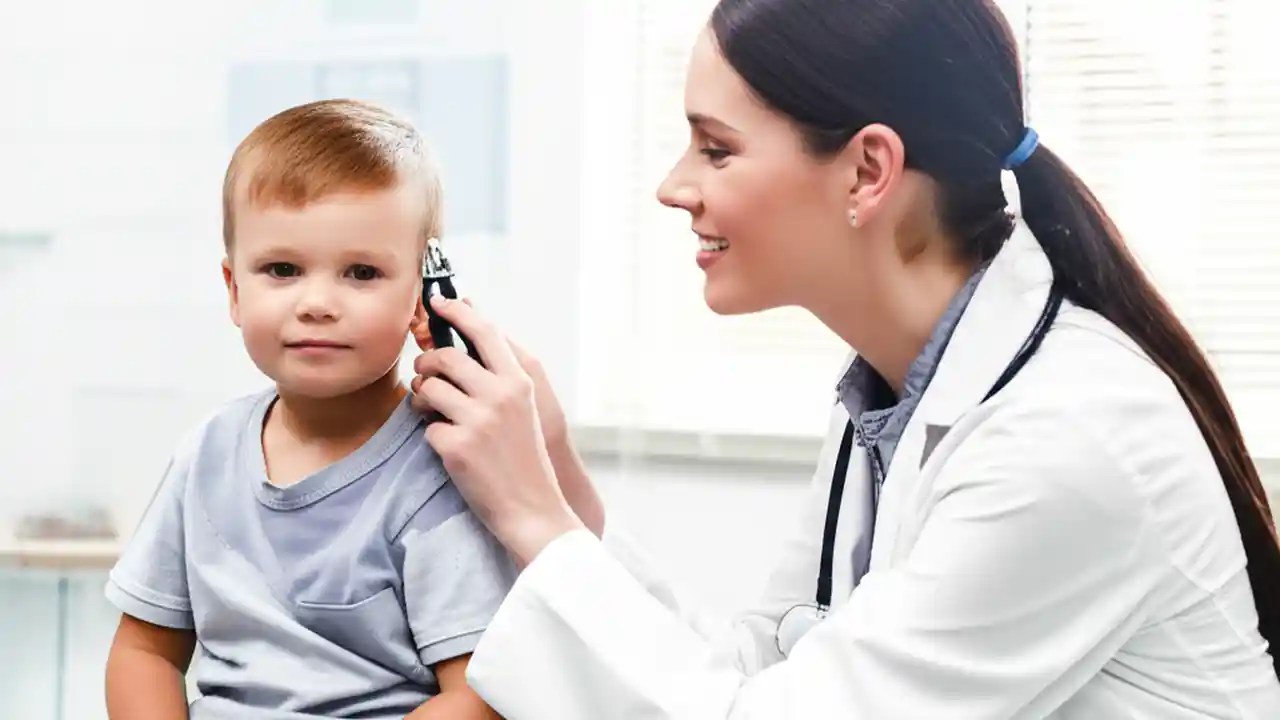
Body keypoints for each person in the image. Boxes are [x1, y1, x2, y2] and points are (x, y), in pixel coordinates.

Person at [406, 0, 1280, 717]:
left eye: (715, 147)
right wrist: (558, 482)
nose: (674, 186)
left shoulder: (1064, 438)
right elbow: (755, 672)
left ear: (867, 171)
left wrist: (529, 516)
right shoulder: (894, 396)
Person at [103, 99, 511, 719]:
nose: (318, 302)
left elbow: (479, 695)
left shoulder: (440, 474)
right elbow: (145, 651)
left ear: (422, 300)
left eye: (362, 273)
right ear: (235, 290)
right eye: (283, 269)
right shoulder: (206, 454)